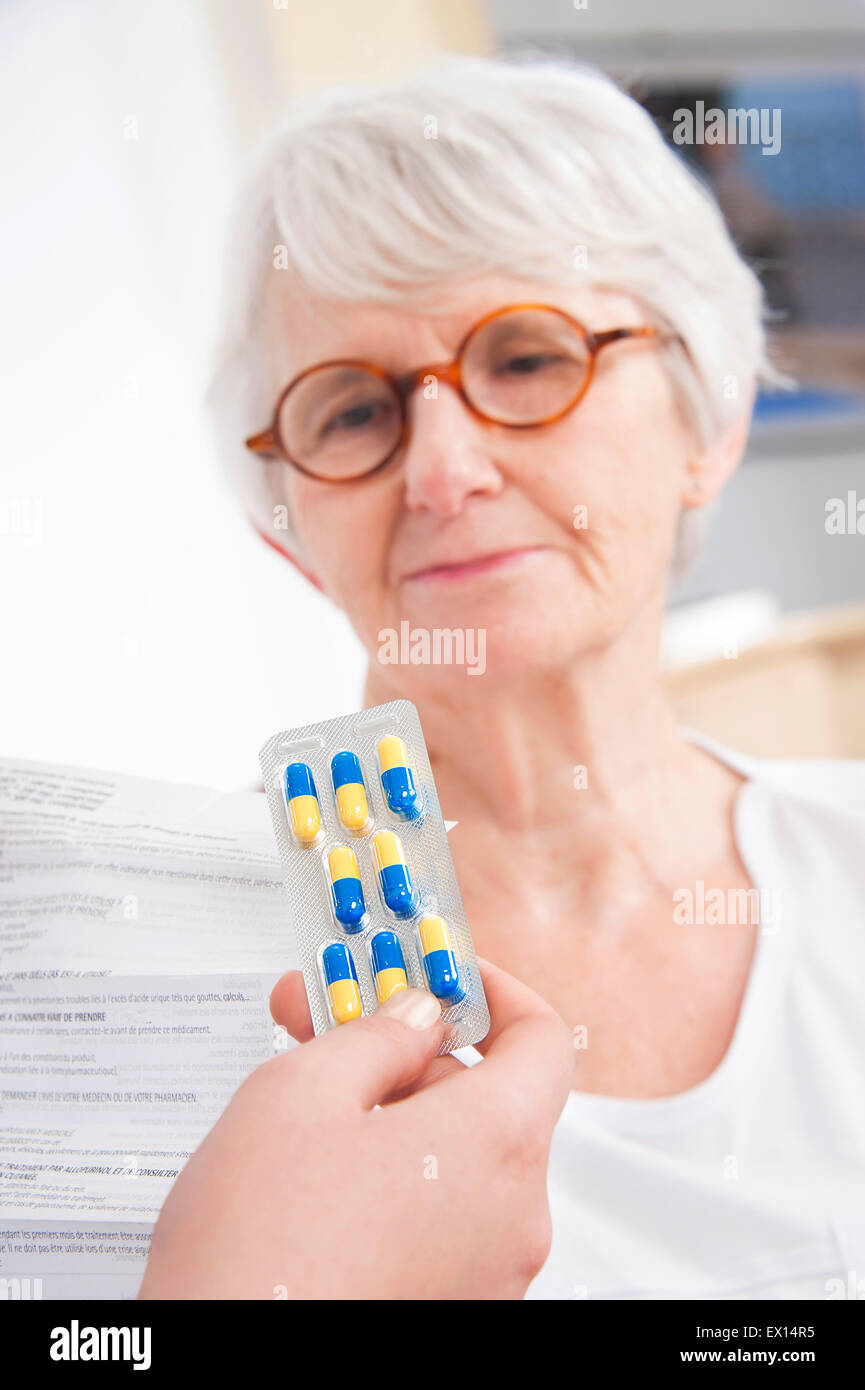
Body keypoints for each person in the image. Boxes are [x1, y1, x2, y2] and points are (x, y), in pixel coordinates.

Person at [142, 57, 865, 1300]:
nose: (442, 470)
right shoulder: (154, 996)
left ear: (711, 418)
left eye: (527, 361)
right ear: (288, 528)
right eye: (354, 413)